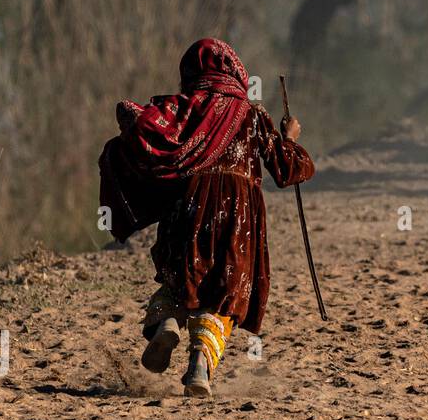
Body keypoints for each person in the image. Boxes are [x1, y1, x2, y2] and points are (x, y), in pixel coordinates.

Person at [99, 38, 315, 396]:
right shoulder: (253, 114)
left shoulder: (183, 108)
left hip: (189, 205)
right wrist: (290, 137)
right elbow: (287, 168)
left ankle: (167, 320)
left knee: (180, 275)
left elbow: (139, 120)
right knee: (221, 293)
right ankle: (199, 367)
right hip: (239, 218)